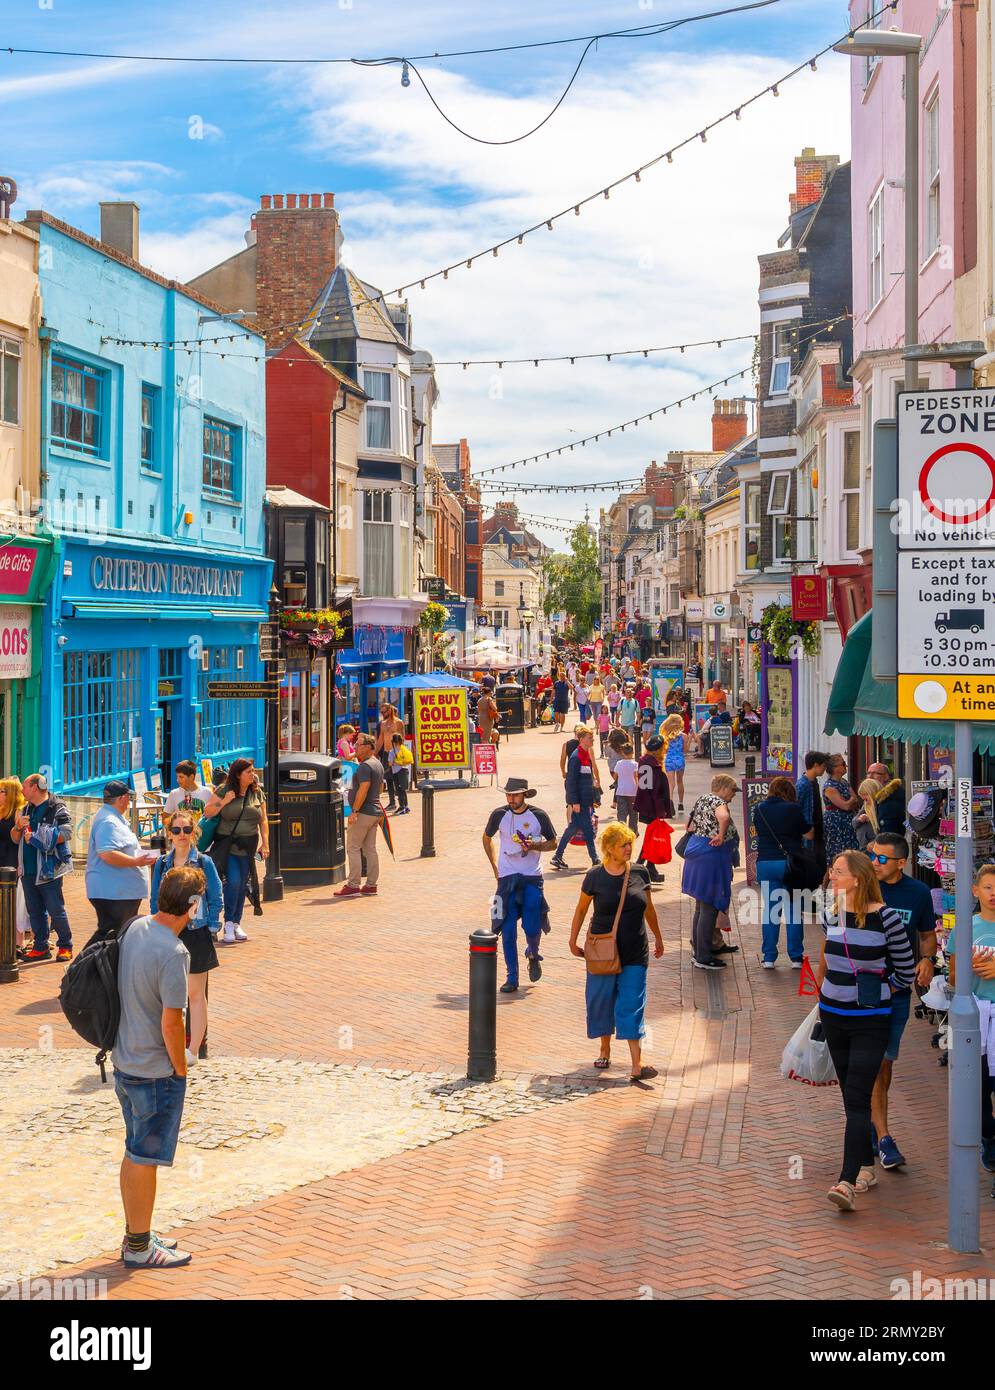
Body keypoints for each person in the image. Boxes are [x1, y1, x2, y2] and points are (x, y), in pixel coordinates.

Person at [112, 864, 204, 1268]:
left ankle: (138, 1231)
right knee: (143, 1158)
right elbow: (172, 1022)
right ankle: (138, 1247)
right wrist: (180, 1067)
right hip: (153, 1070)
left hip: (125, 1059)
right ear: (194, 906)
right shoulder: (174, 952)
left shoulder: (137, 928)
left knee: (133, 1152)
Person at [818, 851, 915, 1212]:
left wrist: (878, 988)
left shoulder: (887, 919)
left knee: (858, 1095)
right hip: (833, 1015)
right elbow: (828, 958)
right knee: (850, 1096)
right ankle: (867, 1167)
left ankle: (846, 1181)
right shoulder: (831, 914)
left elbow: (904, 970)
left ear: (857, 879)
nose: (833, 875)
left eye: (838, 871)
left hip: (871, 1020)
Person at [569, 821, 664, 1080]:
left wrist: (658, 937)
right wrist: (572, 939)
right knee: (602, 1000)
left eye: (631, 843)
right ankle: (605, 1047)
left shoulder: (641, 873)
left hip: (635, 950)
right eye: (624, 844)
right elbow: (581, 909)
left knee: (632, 1004)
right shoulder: (595, 876)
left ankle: (637, 1064)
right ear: (609, 848)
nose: (629, 848)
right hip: (603, 949)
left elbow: (649, 908)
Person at [865, 833, 938, 1171]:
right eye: (872, 856)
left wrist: (928, 961)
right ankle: (883, 1136)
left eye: (882, 858)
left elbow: (926, 936)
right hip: (863, 991)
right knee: (874, 1061)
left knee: (885, 1063)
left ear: (900, 862)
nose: (875, 863)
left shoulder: (919, 893)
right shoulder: (862, 887)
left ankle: (872, 1122)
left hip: (897, 992)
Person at [150, 814, 222, 1062]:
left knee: (195, 994)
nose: (182, 833)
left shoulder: (204, 862)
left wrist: (212, 925)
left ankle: (193, 1050)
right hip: (169, 933)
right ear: (169, 833)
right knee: (167, 993)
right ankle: (169, 1043)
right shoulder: (161, 864)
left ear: (194, 832)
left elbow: (215, 894)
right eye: (177, 829)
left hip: (196, 931)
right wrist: (155, 928)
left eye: (187, 829)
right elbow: (154, 899)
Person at [483, 777, 558, 993]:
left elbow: (553, 842)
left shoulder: (538, 815)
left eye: (515, 795)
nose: (511, 799)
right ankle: (511, 977)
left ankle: (533, 953)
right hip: (507, 877)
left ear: (525, 794)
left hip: (531, 876)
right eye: (508, 795)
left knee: (532, 925)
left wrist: (535, 845)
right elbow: (486, 839)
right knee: (506, 929)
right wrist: (496, 869)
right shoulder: (499, 814)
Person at [946, 862, 995, 1177]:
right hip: (974, 1016)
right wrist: (968, 966)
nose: (994, 894)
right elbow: (951, 976)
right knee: (976, 1084)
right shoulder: (965, 927)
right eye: (988, 887)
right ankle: (987, 1136)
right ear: (975, 891)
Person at [85, 781, 157, 948]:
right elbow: (107, 854)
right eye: (129, 797)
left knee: (115, 936)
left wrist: (139, 857)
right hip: (113, 893)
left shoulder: (113, 818)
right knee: (109, 934)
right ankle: (79, 971)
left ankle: (98, 971)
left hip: (119, 891)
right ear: (123, 798)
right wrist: (136, 861)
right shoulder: (108, 821)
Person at [13, 773, 74, 962]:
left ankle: (65, 945)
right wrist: (17, 827)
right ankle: (41, 947)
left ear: (35, 787)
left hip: (48, 869)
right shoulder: (25, 810)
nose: (22, 790)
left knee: (56, 909)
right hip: (28, 869)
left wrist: (40, 837)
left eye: (25, 786)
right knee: (35, 910)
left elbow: (67, 833)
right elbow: (15, 839)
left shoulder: (57, 807)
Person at [681, 774, 740, 970]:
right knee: (708, 908)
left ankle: (700, 950)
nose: (732, 796)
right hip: (711, 859)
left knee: (701, 907)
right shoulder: (717, 800)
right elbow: (723, 816)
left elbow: (688, 826)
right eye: (732, 791)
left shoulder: (702, 799)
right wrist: (722, 835)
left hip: (698, 856)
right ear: (723, 788)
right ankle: (703, 956)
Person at [754, 776, 811, 969]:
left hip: (765, 862)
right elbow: (808, 833)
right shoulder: (793, 809)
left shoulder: (759, 809)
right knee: (793, 910)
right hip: (790, 864)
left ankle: (769, 957)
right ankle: (796, 957)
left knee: (771, 911)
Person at [211, 759, 268, 939]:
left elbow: (263, 820)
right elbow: (208, 812)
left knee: (243, 884)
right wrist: (225, 801)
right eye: (248, 772)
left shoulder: (257, 792)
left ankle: (236, 923)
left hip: (249, 845)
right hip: (229, 845)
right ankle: (228, 922)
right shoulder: (223, 790)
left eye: (252, 771)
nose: (253, 774)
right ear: (238, 774)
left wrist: (265, 843)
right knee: (234, 882)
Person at [336, 734, 384, 897]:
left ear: (368, 747)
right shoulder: (377, 764)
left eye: (358, 744)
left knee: (353, 848)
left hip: (363, 813)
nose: (355, 747)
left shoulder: (364, 766)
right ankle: (371, 885)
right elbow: (380, 789)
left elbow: (364, 788)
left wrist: (354, 811)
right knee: (370, 849)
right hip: (375, 812)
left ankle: (353, 884)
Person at [552, 728, 600, 871]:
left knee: (573, 829)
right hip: (580, 802)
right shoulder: (576, 757)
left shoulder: (585, 755)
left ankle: (557, 856)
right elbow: (571, 781)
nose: (592, 740)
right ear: (582, 739)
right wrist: (574, 802)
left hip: (585, 800)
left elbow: (586, 777)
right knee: (588, 830)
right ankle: (595, 859)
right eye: (590, 738)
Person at [633, 734, 675, 884]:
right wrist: (660, 810)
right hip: (651, 806)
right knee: (651, 837)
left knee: (650, 836)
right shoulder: (650, 765)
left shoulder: (647, 762)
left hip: (649, 805)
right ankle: (638, 866)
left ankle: (650, 868)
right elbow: (651, 790)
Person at [0, 776, 28, 957]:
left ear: (10, 794)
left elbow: (22, 842)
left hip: (11, 862)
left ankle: (18, 943)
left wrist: (21, 864)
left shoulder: (18, 812)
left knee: (14, 904)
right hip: (1, 859)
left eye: (2, 791)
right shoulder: (1, 811)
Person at [823, 753, 860, 863]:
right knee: (836, 855)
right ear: (836, 768)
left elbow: (856, 800)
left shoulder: (844, 782)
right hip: (836, 824)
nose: (846, 765)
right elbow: (846, 806)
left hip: (847, 822)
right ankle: (827, 879)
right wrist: (851, 801)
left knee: (850, 854)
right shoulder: (830, 787)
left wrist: (850, 802)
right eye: (843, 763)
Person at [795, 751, 828, 869]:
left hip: (816, 831)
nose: (825, 769)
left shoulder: (814, 782)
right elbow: (795, 809)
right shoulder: (803, 785)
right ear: (815, 765)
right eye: (823, 765)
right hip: (808, 834)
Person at [162, 760, 215, 831]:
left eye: (181, 777)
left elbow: (213, 817)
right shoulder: (174, 794)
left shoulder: (207, 792)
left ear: (191, 777)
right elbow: (165, 819)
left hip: (201, 837)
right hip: (181, 837)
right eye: (177, 777)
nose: (178, 780)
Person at [374, 704, 406, 810]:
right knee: (388, 779)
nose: (383, 714)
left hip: (395, 753)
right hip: (386, 753)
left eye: (384, 712)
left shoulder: (398, 722)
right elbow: (380, 740)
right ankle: (392, 802)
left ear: (390, 710)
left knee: (398, 779)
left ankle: (402, 804)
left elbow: (402, 739)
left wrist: (398, 754)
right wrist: (374, 753)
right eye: (381, 712)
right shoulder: (382, 724)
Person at [866, 762, 906, 835]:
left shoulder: (892, 797)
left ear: (886, 777)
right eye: (868, 773)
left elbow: (888, 832)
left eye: (875, 773)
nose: (870, 777)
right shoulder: (873, 795)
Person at [661, 712, 690, 812]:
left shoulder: (667, 736)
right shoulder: (684, 736)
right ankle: (681, 804)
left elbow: (664, 750)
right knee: (680, 781)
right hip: (679, 760)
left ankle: (670, 801)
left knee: (670, 783)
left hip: (669, 760)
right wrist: (689, 740)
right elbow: (685, 750)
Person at [613, 741, 639, 832]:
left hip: (621, 791)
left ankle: (621, 832)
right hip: (633, 792)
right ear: (632, 753)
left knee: (621, 814)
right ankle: (633, 832)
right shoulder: (635, 764)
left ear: (622, 753)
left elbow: (615, 776)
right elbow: (636, 777)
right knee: (633, 814)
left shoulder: (619, 763)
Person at [852, 779, 881, 850]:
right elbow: (854, 823)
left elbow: (883, 825)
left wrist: (870, 819)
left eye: (866, 799)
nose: (865, 802)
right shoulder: (866, 805)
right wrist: (859, 820)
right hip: (863, 845)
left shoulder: (881, 806)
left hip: (874, 844)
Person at [389, 732, 414, 814]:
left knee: (399, 790)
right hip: (405, 770)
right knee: (403, 790)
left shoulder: (392, 751)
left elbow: (390, 763)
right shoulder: (404, 749)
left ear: (393, 741)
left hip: (397, 772)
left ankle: (401, 807)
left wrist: (395, 762)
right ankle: (406, 806)